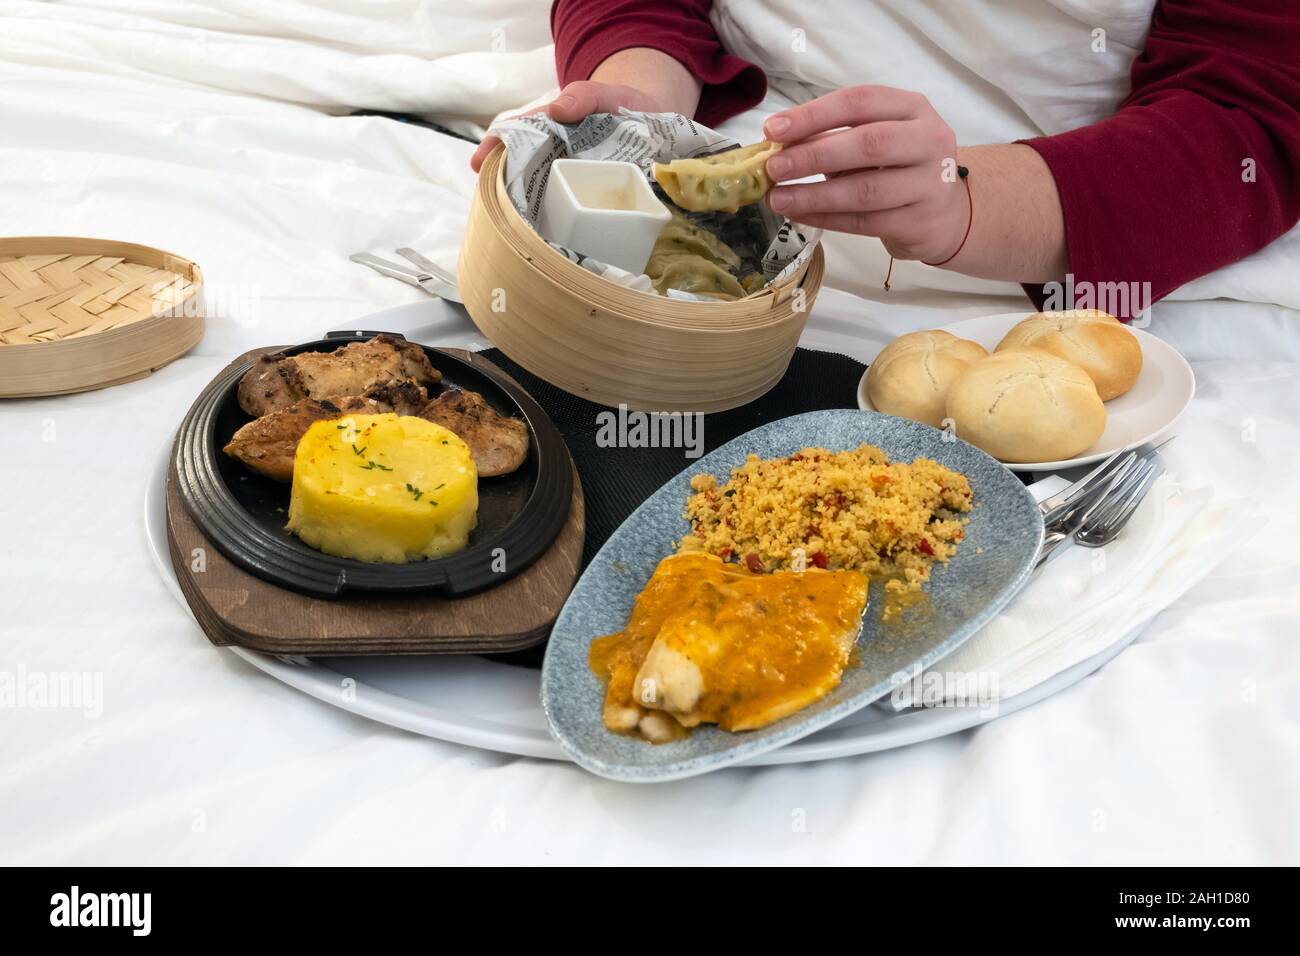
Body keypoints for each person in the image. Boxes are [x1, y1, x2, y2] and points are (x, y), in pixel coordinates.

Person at [471, 0, 1300, 319]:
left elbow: (1251, 118)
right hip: (721, 121)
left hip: (1037, 227)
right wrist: (639, 100)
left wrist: (962, 203)